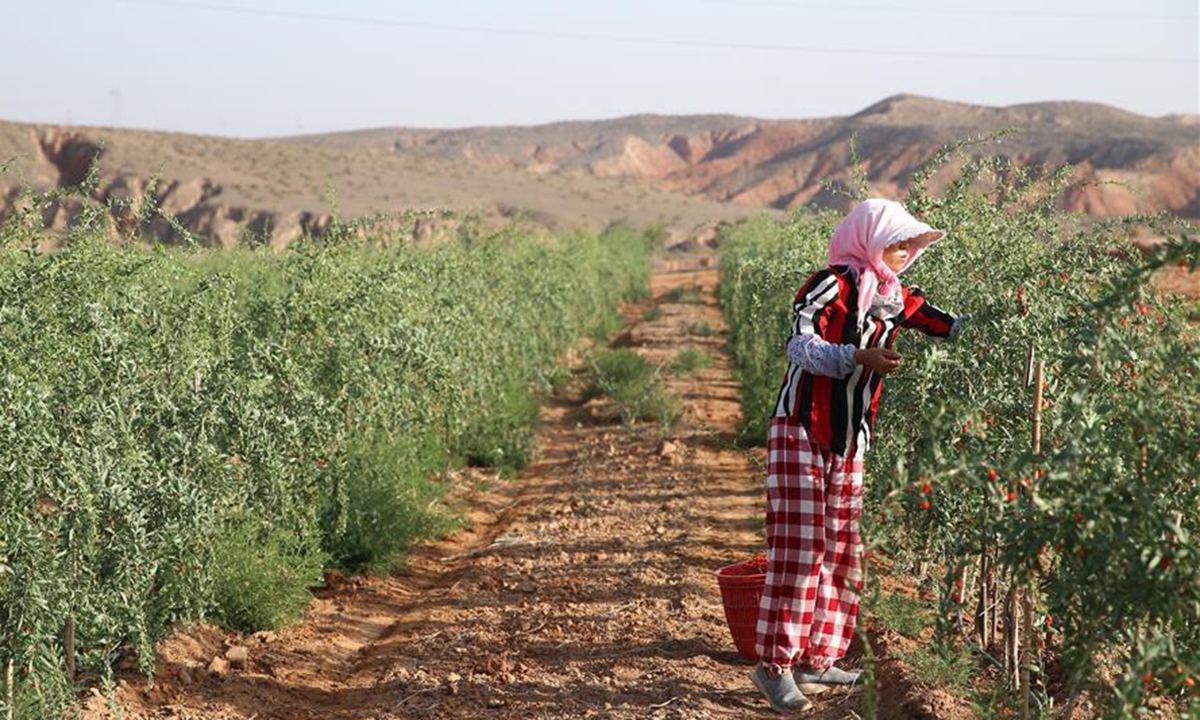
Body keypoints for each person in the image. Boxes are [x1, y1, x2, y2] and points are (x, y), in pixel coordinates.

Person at [750, 198, 968, 713]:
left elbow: (948, 323)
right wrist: (856, 357)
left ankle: (818, 657)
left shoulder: (894, 298)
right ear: (869, 239)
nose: (906, 252)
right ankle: (773, 663)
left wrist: (1012, 316)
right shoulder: (832, 283)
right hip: (802, 428)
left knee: (842, 550)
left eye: (911, 245)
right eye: (897, 242)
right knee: (800, 548)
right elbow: (798, 346)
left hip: (852, 438)